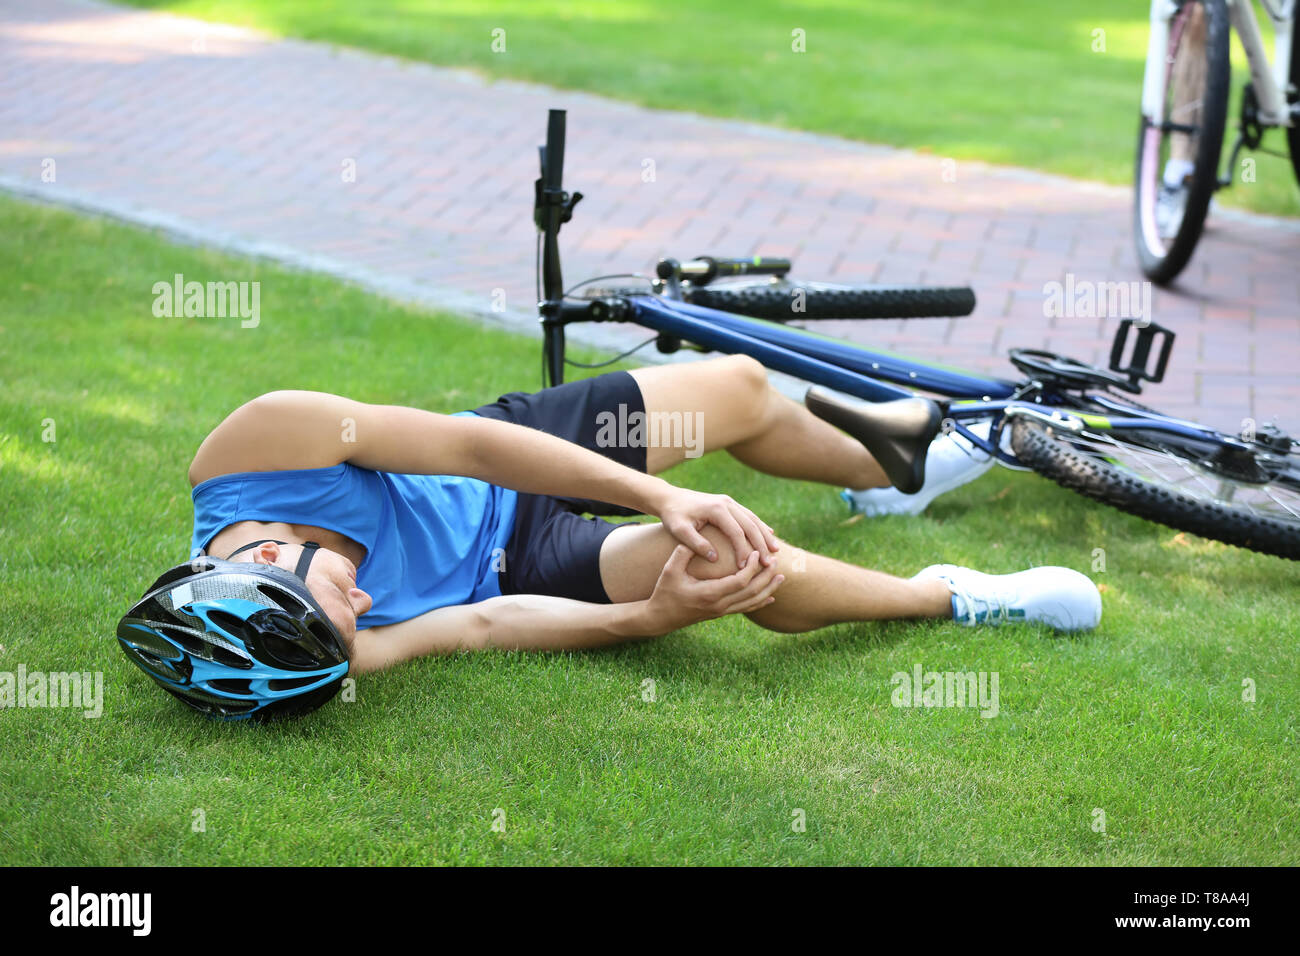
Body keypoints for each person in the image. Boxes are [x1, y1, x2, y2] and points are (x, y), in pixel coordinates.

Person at [117, 356, 1102, 720]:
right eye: (354, 627)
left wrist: (656, 493)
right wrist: (648, 615)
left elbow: (467, 443)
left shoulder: (258, 442)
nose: (367, 610)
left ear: (262, 564)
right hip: (518, 561)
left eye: (344, 597)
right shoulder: (320, 650)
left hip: (507, 463)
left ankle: (885, 476)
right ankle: (958, 591)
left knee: (742, 389)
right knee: (730, 565)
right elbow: (483, 626)